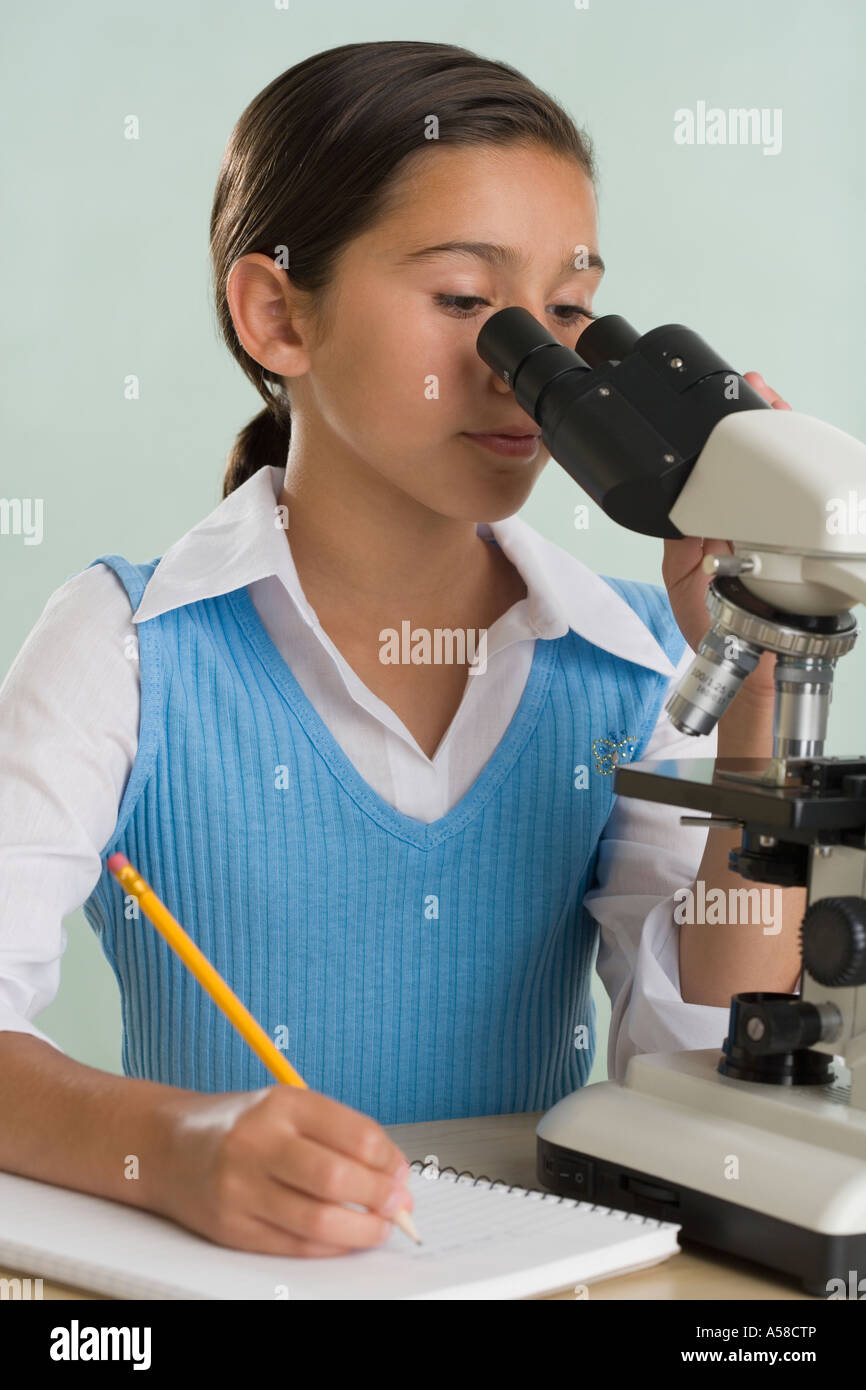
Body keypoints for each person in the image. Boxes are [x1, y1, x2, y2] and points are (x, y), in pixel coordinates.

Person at [0, 40, 798, 1259]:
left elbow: (706, 1074)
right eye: (467, 303)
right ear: (277, 314)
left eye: (567, 314)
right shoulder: (132, 647)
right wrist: (178, 1146)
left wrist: (760, 672)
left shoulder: (635, 660)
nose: (524, 369)